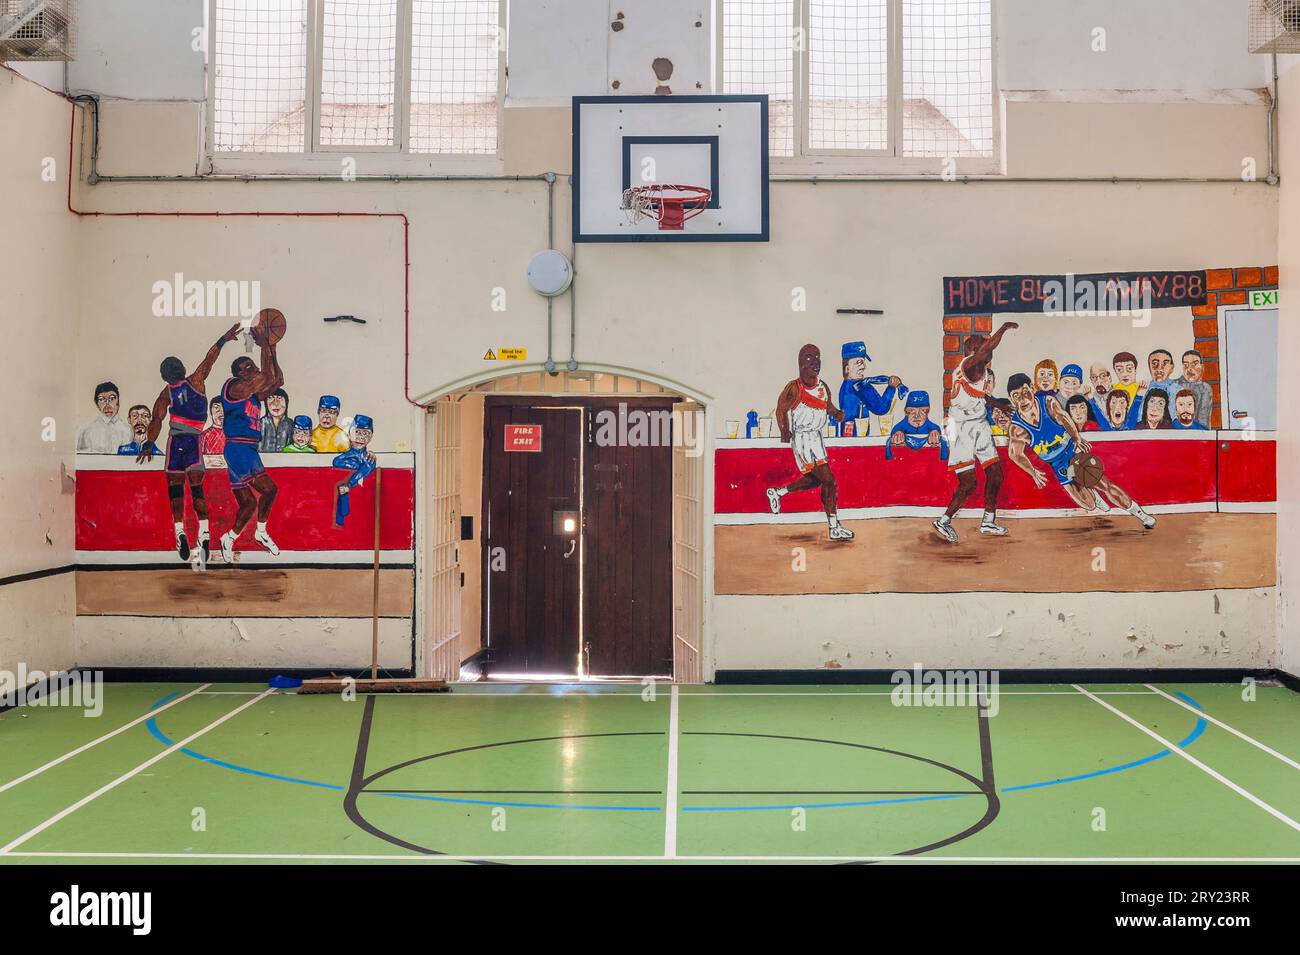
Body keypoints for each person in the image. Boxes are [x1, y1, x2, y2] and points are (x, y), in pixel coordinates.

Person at [139, 323, 241, 564]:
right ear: (183, 369)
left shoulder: (165, 394)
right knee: (197, 491)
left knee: (175, 492)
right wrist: (223, 339)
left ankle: (179, 532)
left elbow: (157, 420)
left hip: (175, 442)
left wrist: (148, 444)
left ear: (164, 377)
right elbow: (210, 359)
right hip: (194, 441)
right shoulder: (195, 380)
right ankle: (204, 533)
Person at [1000, 375, 1155, 529]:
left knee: (1104, 484)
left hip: (1071, 451)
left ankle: (1141, 514)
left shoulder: (1047, 402)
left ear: (1032, 389)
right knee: (1089, 505)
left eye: (1025, 392)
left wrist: (1076, 438)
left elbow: (1063, 417)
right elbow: (1014, 454)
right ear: (1011, 399)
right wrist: (1033, 472)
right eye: (1016, 396)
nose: (1022, 399)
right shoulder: (1017, 428)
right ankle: (1093, 496)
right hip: (1057, 464)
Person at [933, 322, 1018, 543]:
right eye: (983, 348)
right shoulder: (968, 365)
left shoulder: (983, 372)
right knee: (969, 482)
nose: (987, 351)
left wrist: (997, 404)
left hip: (979, 424)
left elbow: (978, 395)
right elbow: (985, 351)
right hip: (961, 428)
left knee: (995, 474)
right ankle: (944, 520)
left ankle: (988, 521)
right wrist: (1003, 329)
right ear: (975, 352)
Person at [765, 344, 854, 541]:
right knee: (829, 480)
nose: (814, 361)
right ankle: (834, 526)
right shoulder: (794, 387)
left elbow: (827, 405)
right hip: (803, 439)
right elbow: (780, 409)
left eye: (817, 357)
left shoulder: (822, 386)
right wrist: (784, 430)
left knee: (815, 480)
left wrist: (837, 413)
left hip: (817, 438)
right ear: (800, 363)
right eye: (808, 358)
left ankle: (777, 493)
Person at [216, 332, 285, 563]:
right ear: (238, 374)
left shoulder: (255, 394)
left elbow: (277, 380)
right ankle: (261, 532)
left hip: (247, 450)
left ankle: (229, 538)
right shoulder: (234, 387)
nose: (252, 369)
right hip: (238, 448)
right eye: (247, 367)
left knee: (249, 503)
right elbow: (264, 377)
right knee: (270, 490)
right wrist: (265, 344)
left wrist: (272, 349)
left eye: (252, 365)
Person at [837, 341, 903, 436]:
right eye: (858, 363)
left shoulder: (846, 386)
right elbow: (880, 408)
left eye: (863, 362)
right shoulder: (860, 386)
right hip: (859, 442)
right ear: (847, 368)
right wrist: (891, 388)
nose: (864, 367)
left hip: (848, 440)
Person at [332, 415, 378, 525]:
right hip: (341, 491)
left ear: (371, 436)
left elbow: (367, 467)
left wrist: (350, 485)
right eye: (357, 432)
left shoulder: (369, 458)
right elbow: (337, 461)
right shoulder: (348, 455)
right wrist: (355, 465)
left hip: (361, 498)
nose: (360, 437)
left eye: (365, 433)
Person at [885, 391, 947, 461]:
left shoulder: (931, 426)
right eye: (911, 411)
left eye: (923, 411)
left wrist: (935, 432)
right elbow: (896, 430)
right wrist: (897, 433)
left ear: (928, 412)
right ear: (906, 412)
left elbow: (936, 429)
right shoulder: (901, 425)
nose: (917, 416)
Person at [75, 382, 133, 453]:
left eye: (112, 398)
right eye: (101, 400)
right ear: (97, 405)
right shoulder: (85, 431)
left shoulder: (129, 430)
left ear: (118, 401)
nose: (107, 405)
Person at [1174, 350, 1213, 428]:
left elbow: (1203, 420)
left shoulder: (1205, 388)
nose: (1190, 369)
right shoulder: (1174, 385)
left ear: (1202, 367)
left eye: (1194, 364)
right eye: (1186, 365)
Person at [258, 388, 292, 453]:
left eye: (279, 398)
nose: (275, 403)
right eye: (270, 398)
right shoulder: (260, 424)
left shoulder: (291, 425)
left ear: (286, 402)